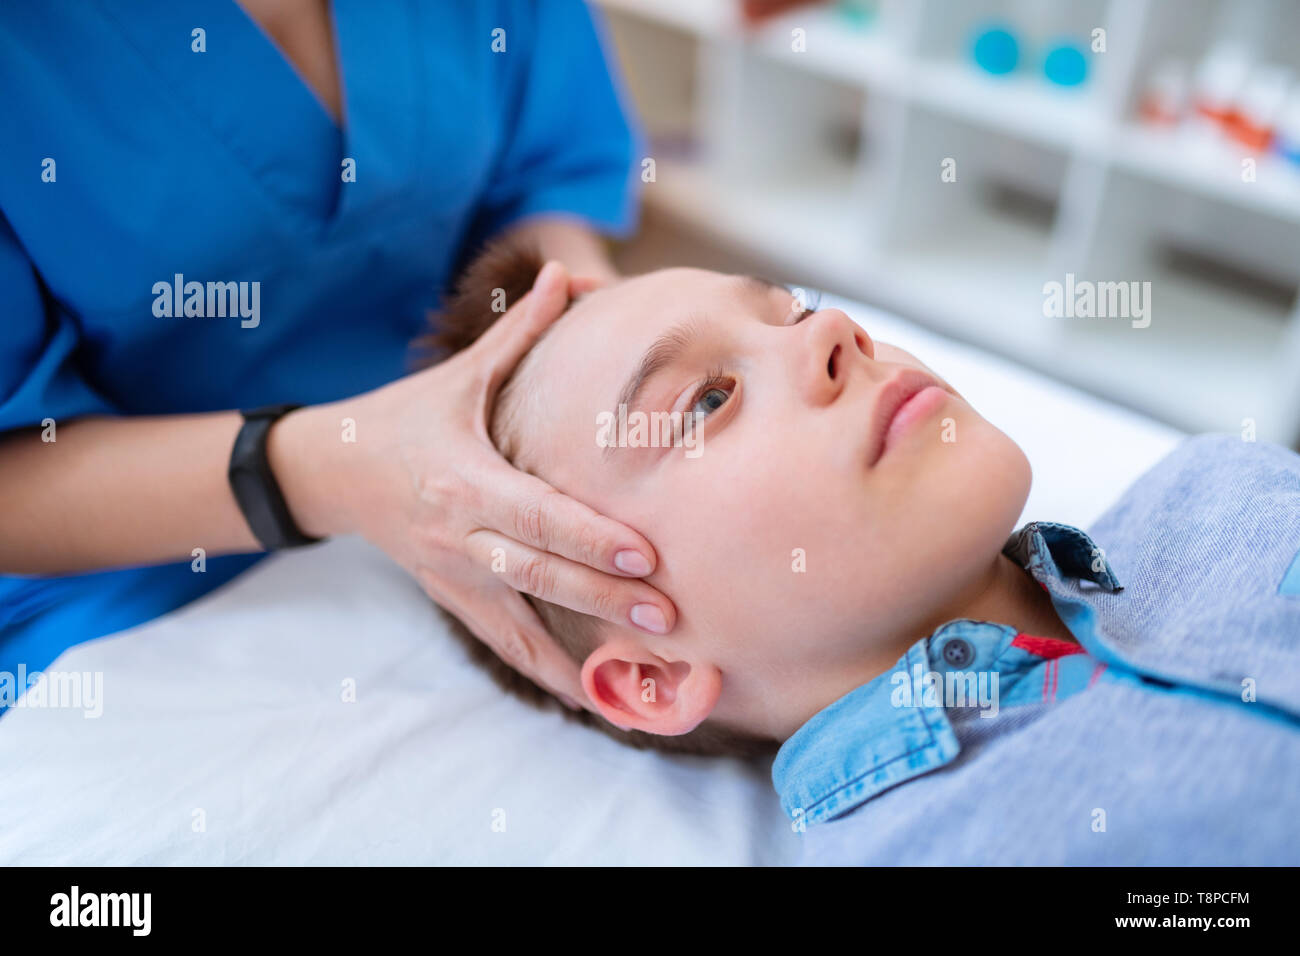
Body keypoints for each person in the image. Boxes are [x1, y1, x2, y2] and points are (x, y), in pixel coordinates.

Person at [424, 236, 1300, 863]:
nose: (830, 329)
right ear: (655, 676)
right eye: (706, 401)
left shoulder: (1221, 492)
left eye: (792, 311)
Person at [0, 1, 679, 715]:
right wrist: (344, 470)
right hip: (120, 583)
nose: (812, 337)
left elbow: (537, 185)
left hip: (454, 488)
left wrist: (589, 336)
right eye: (714, 397)